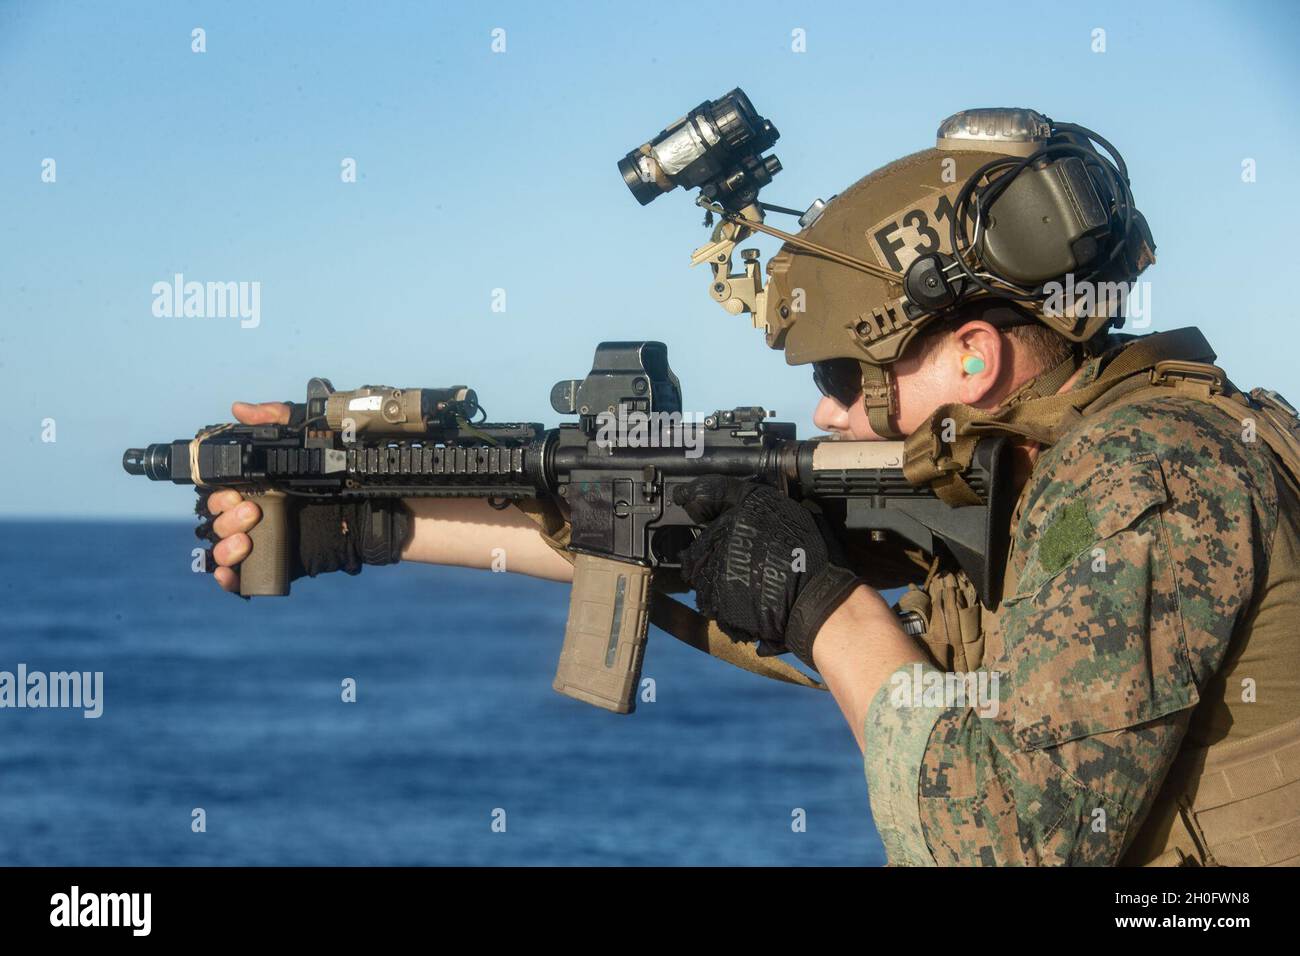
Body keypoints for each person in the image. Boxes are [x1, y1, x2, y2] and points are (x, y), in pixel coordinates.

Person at [199, 109, 1300, 866]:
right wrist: (376, 522)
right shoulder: (1048, 458)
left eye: (842, 376)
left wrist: (825, 604)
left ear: (972, 356)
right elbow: (688, 558)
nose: (824, 412)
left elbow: (1000, 838)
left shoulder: (1141, 476)